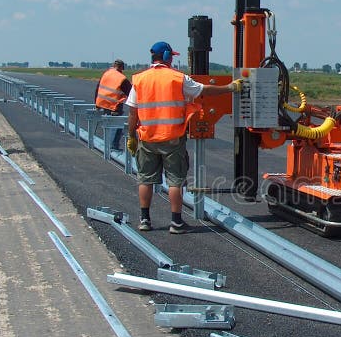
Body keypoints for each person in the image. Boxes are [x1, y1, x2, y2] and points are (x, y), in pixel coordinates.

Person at [126, 41, 243, 234]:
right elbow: (204, 90)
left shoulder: (139, 79)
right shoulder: (178, 78)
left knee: (145, 179)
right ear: (165, 57)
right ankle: (176, 222)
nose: (172, 59)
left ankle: (144, 219)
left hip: (147, 138)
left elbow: (133, 112)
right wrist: (229, 88)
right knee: (175, 181)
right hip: (172, 138)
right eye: (171, 56)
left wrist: (131, 136)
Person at [94, 59, 132, 150]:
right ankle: (114, 147)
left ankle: (106, 146)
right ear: (122, 68)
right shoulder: (121, 78)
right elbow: (131, 93)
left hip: (103, 104)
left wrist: (96, 104)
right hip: (114, 107)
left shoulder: (106, 74)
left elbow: (97, 89)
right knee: (117, 126)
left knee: (107, 126)